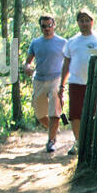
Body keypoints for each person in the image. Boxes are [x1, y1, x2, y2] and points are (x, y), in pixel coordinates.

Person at [61, 8, 97, 156]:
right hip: (76, 82)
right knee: (75, 114)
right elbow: (66, 64)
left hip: (95, 83)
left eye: (87, 20)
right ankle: (78, 142)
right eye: (81, 21)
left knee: (94, 113)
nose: (84, 23)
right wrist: (61, 85)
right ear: (78, 23)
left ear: (92, 22)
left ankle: (91, 142)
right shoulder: (72, 41)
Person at [24, 15, 68, 152]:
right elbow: (28, 61)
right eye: (44, 26)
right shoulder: (35, 43)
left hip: (56, 79)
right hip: (39, 79)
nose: (47, 28)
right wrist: (26, 67)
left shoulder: (63, 42)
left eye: (49, 25)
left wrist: (65, 82)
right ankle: (53, 130)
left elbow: (69, 61)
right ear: (40, 27)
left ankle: (51, 141)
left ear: (54, 25)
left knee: (54, 111)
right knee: (40, 114)